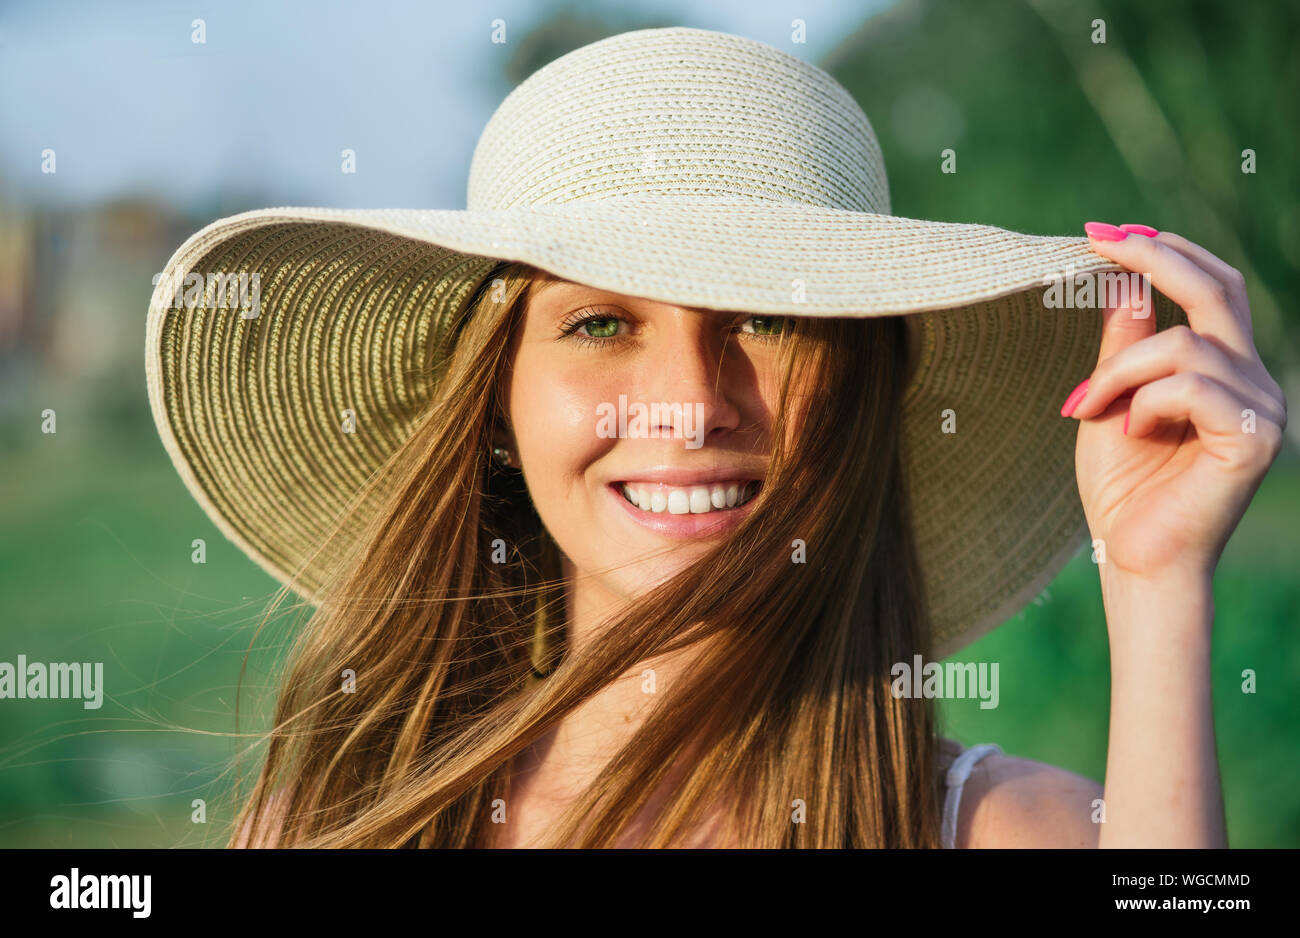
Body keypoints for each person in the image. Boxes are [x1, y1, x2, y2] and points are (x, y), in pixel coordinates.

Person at [147, 27, 1285, 848]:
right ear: (496, 408)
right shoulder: (340, 828)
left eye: (771, 315)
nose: (689, 403)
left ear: (864, 387)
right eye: (599, 323)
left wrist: (1156, 584)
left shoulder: (1018, 830)